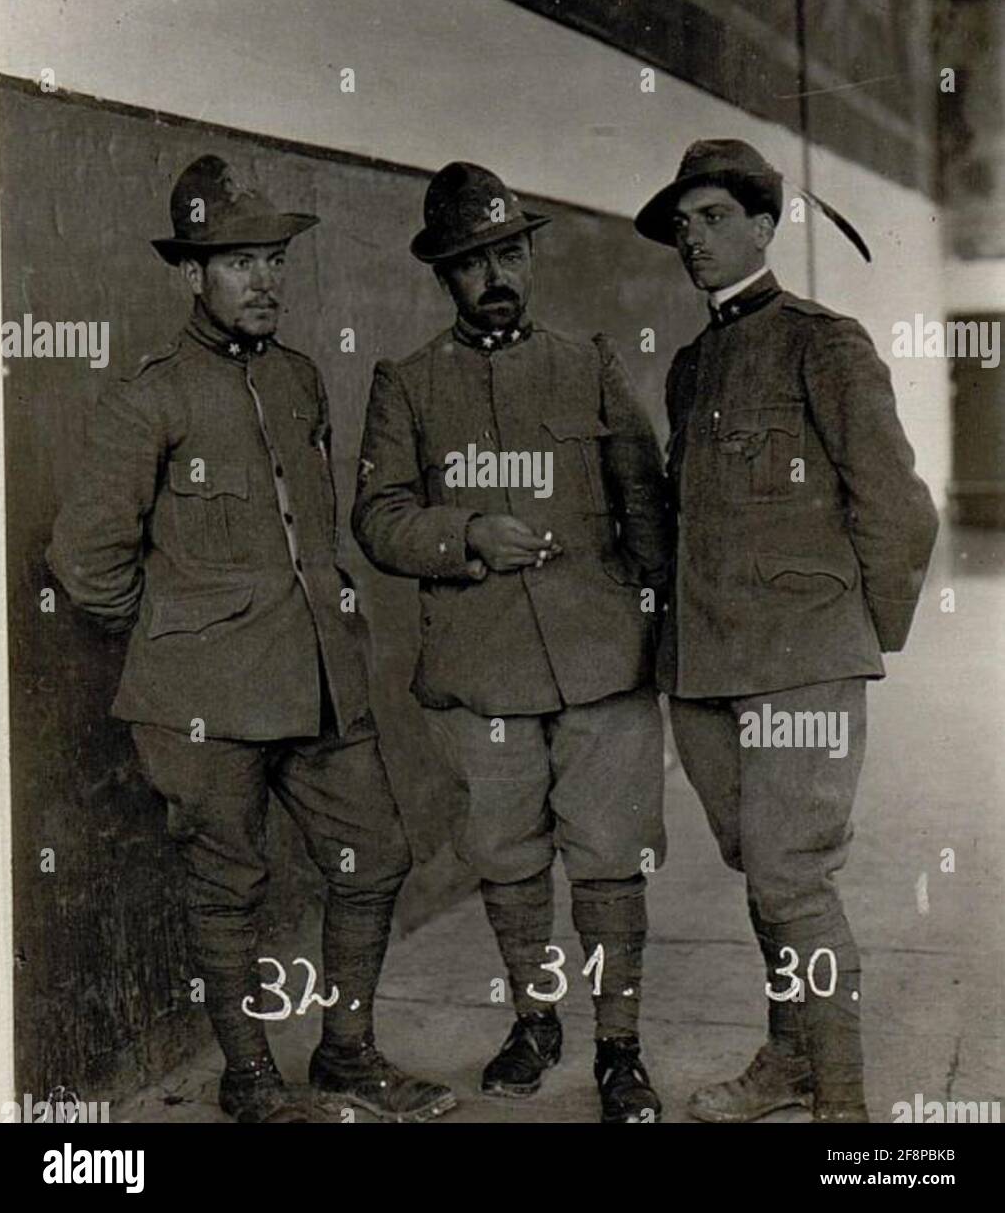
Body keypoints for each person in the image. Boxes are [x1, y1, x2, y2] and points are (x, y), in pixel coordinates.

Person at [49, 155, 455, 1124]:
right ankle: (251, 1079)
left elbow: (306, 535)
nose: (263, 278)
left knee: (377, 854)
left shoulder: (301, 379)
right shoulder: (150, 396)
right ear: (193, 274)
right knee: (226, 883)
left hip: (320, 683)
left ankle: (347, 1055)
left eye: (272, 258)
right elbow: (84, 560)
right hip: (202, 700)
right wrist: (177, 636)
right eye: (238, 262)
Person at [352, 161, 671, 1123]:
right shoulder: (406, 384)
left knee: (610, 859)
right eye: (471, 263)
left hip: (601, 659)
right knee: (506, 854)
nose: (496, 275)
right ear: (442, 278)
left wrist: (655, 631)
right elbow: (377, 517)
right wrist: (464, 537)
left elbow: (645, 509)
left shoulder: (591, 364)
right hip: (480, 671)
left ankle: (621, 1049)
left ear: (532, 256)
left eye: (510, 253)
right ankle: (536, 1020)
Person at [634, 139, 939, 1124]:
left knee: (790, 876)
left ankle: (841, 1108)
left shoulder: (824, 340)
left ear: (765, 226)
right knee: (760, 875)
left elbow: (899, 508)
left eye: (714, 216)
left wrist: (853, 635)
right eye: (683, 225)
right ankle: (788, 1060)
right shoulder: (691, 366)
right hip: (706, 669)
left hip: (800, 663)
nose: (695, 238)